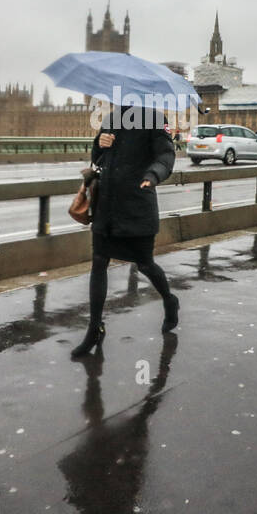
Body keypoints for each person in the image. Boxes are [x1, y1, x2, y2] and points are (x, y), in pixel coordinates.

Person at [72, 103, 178, 358]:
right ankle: (94, 328)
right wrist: (100, 144)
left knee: (145, 263)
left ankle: (169, 300)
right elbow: (98, 159)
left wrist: (153, 175)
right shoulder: (111, 118)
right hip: (106, 206)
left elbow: (166, 155)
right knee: (99, 262)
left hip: (137, 204)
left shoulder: (155, 118)